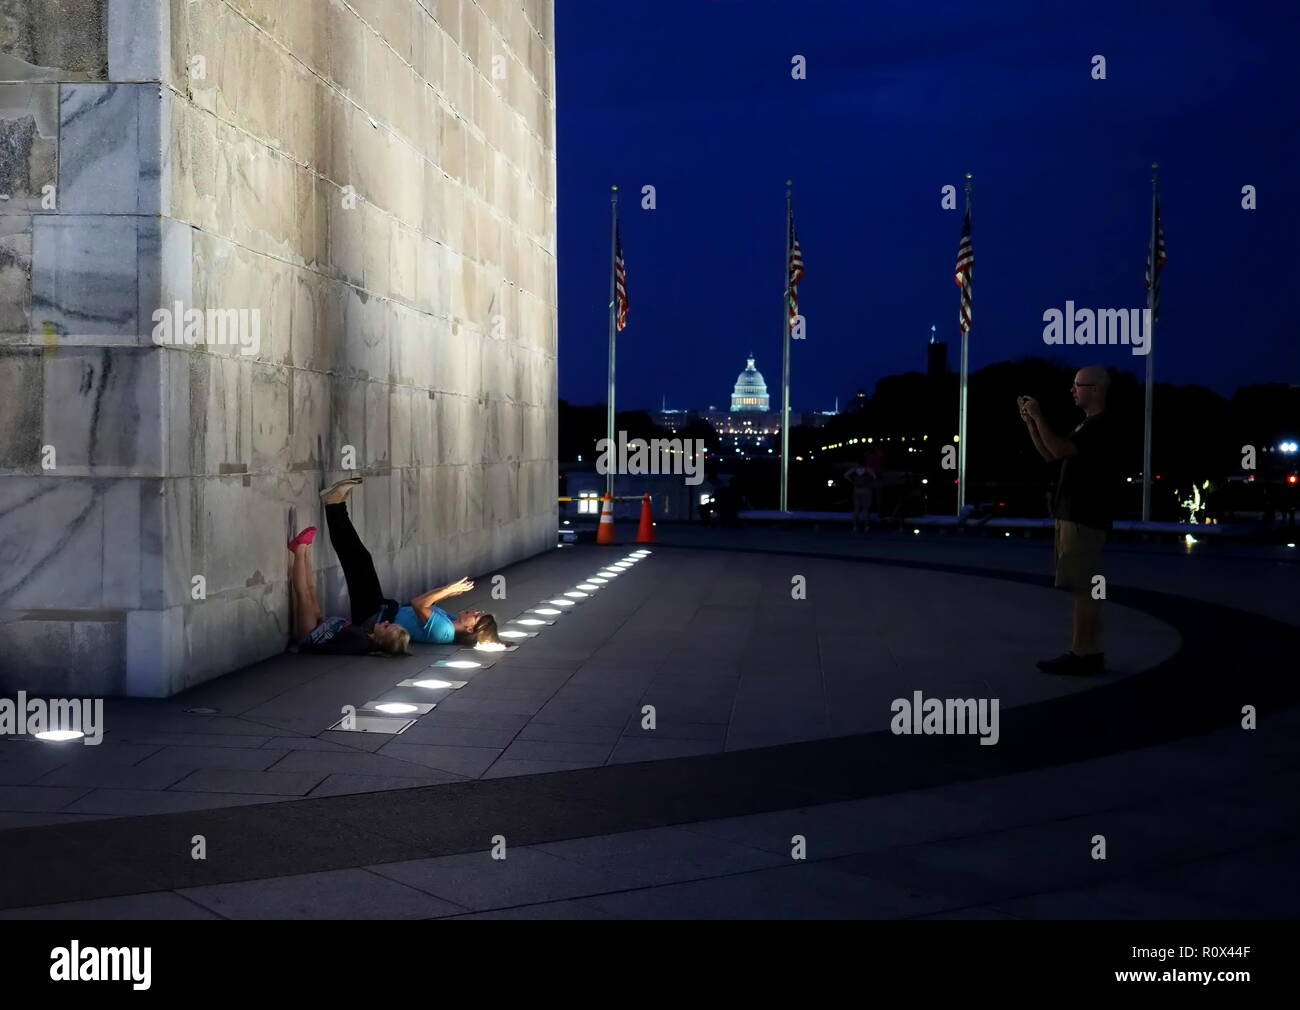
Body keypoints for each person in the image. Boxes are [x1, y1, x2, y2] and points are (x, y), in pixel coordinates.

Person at [319, 478, 501, 647]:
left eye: (477, 616)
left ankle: (334, 504)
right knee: (358, 558)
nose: (475, 611)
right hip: (380, 610)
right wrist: (447, 593)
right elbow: (427, 605)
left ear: (470, 629)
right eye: (479, 612)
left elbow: (418, 604)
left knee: (356, 559)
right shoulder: (450, 623)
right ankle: (336, 505)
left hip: (373, 617)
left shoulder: (444, 632)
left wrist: (447, 590)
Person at [1019, 366, 1118, 675]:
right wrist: (1032, 424)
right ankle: (1087, 652)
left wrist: (1039, 416)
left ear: (1096, 390)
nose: (1072, 390)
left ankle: (1083, 653)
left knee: (1084, 589)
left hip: (1084, 516)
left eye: (1078, 385)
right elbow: (1051, 454)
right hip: (1073, 516)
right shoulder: (1085, 425)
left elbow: (1060, 448)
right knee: (1082, 588)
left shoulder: (1100, 426)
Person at [288, 519, 410, 658]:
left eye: (386, 627)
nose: (386, 621)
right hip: (321, 627)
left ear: (380, 641)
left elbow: (333, 649)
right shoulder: (367, 635)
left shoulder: (361, 643)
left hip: (311, 635)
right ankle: (304, 552)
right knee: (310, 589)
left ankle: (299, 551)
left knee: (304, 595)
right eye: (390, 623)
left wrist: (303, 648)